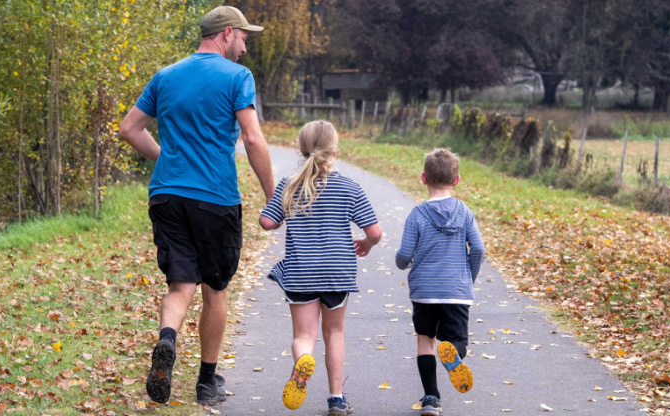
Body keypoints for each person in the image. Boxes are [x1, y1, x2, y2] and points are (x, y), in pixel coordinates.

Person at [117, 5, 275, 406]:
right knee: (215, 288)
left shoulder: (166, 76)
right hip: (215, 198)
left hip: (166, 195)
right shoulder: (237, 77)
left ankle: (167, 341)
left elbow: (129, 128)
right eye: (242, 37)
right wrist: (274, 194)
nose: (244, 46)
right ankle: (207, 382)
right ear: (225, 34)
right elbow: (253, 139)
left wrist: (166, 159)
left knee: (180, 282)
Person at [259, 120, 382, 416]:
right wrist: (366, 243)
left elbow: (266, 222)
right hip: (337, 273)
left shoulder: (289, 186)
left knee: (304, 336)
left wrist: (279, 213)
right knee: (335, 333)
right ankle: (336, 398)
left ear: (301, 149)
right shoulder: (349, 188)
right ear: (335, 150)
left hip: (301, 273)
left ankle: (304, 359)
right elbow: (375, 232)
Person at [395, 148, 485, 416]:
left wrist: (403, 263)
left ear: (424, 178)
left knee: (426, 340)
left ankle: (431, 399)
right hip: (457, 290)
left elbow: (404, 254)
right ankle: (453, 353)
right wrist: (468, 277)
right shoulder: (465, 212)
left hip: (425, 291)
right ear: (456, 180)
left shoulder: (417, 214)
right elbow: (478, 249)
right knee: (457, 341)